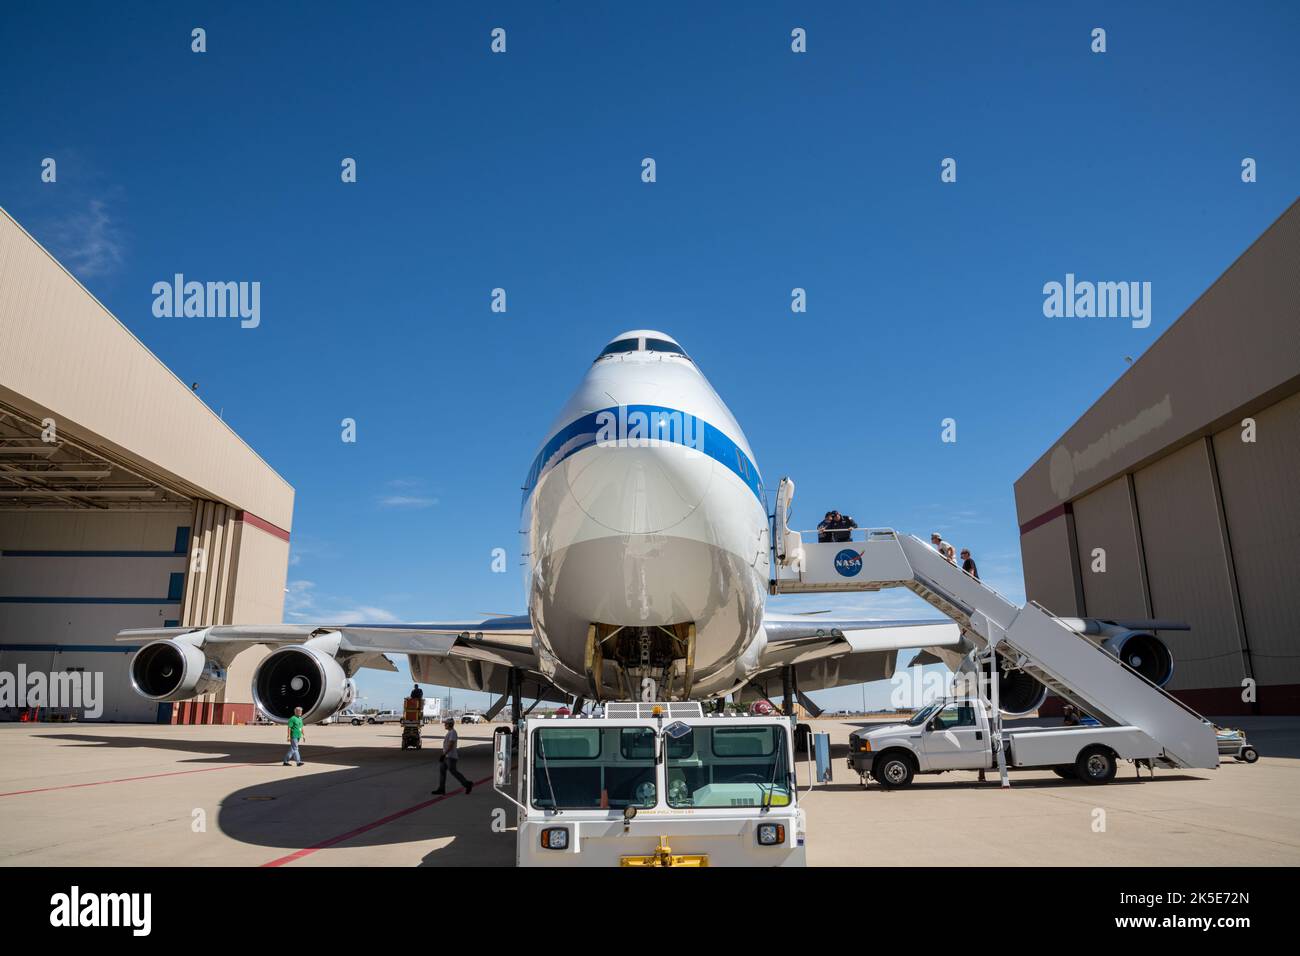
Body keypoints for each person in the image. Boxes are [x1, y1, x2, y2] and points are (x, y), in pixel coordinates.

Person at [431, 716, 473, 796]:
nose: (444, 725)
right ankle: (441, 789)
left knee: (453, 772)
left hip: (450, 757)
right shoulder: (450, 732)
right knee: (442, 772)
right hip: (446, 757)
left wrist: (444, 754)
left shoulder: (453, 733)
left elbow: (450, 745)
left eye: (446, 724)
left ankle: (467, 784)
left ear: (450, 725)